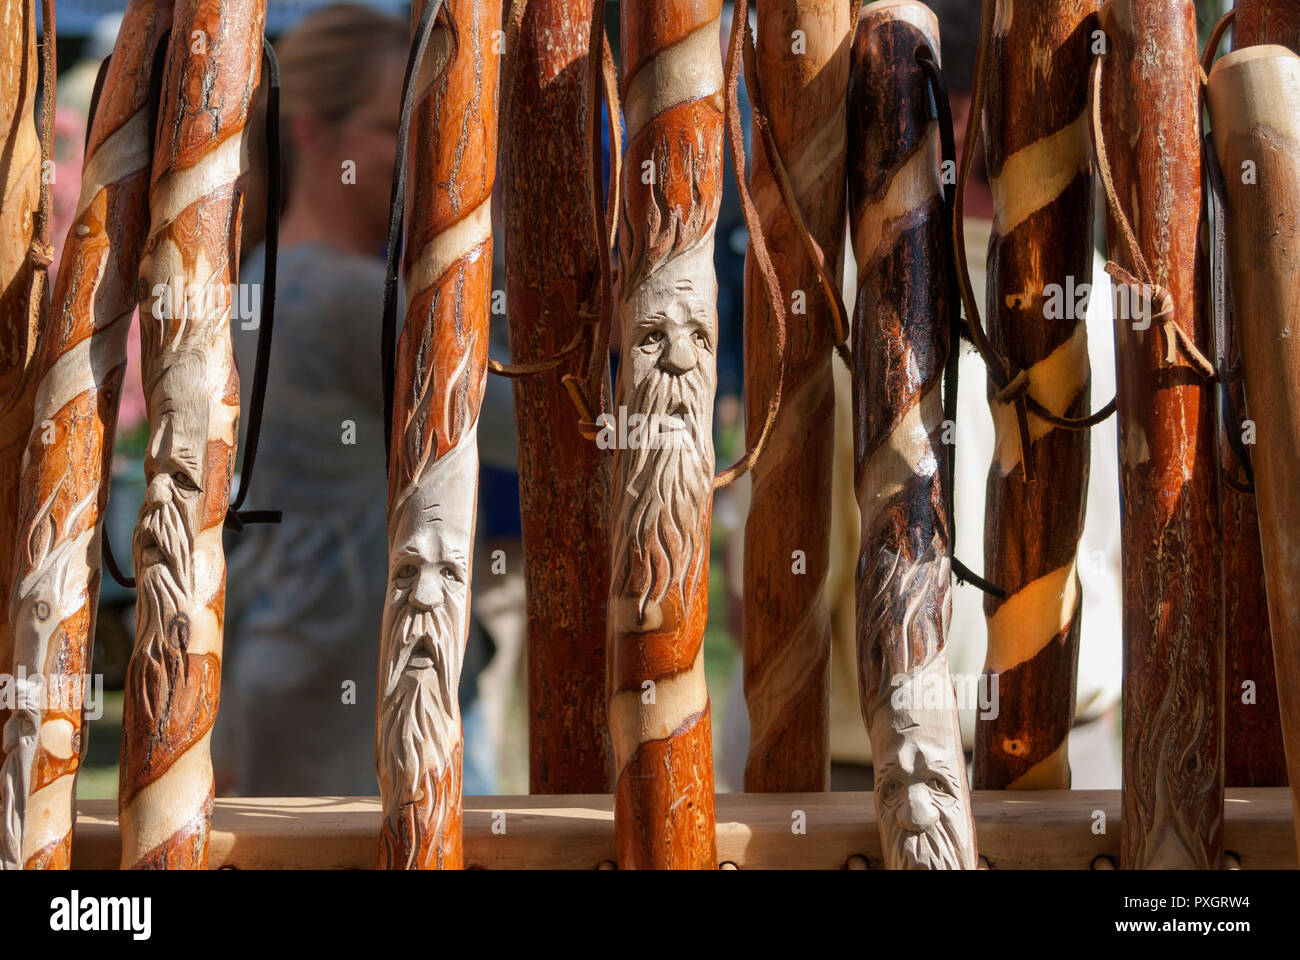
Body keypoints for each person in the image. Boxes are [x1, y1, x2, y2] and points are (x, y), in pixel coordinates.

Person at [214, 5, 413, 797]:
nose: (420, 155)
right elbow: (524, 426)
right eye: (392, 128)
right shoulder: (346, 293)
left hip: (276, 663)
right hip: (349, 694)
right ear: (310, 134)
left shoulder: (261, 270)